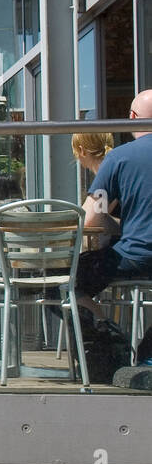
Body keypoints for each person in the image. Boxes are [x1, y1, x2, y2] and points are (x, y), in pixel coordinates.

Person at [76, 92, 152, 318]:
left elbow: (92, 218)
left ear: (131, 116)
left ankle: (109, 340)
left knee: (63, 283)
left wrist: (127, 227)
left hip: (136, 256)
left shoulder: (119, 158)